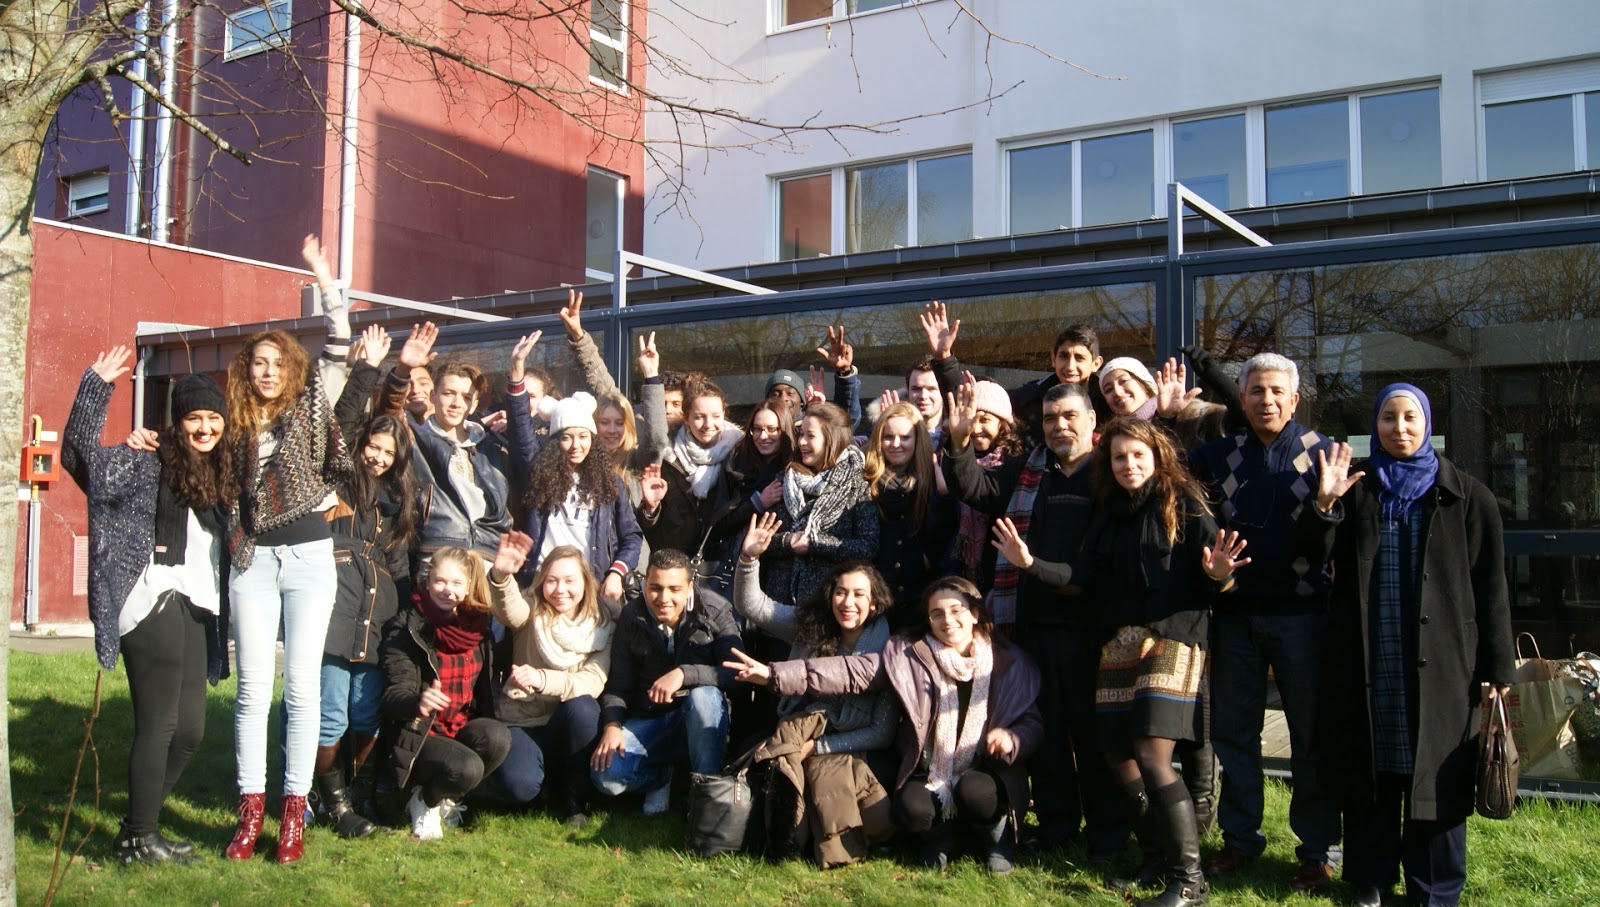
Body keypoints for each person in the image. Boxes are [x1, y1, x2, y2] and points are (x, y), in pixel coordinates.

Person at [1004, 416, 1249, 906]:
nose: (1129, 464)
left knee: (1151, 752)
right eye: (1119, 457)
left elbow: (1218, 577)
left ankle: (1189, 880)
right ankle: (1156, 855)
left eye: (1138, 455)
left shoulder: (1187, 504)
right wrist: (1031, 564)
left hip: (1174, 637)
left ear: (1158, 456)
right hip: (1119, 642)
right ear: (1108, 463)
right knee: (1116, 754)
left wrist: (1220, 575)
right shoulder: (1111, 511)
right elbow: (1081, 576)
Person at [1302, 386, 1514, 907]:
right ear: (1374, 426)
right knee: (1373, 770)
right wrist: (1324, 505)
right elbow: (1310, 558)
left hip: (1444, 661)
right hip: (1372, 655)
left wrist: (1498, 669)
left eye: (1410, 417)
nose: (1400, 428)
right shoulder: (1355, 489)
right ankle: (1371, 879)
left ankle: (1434, 887)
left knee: (1436, 776)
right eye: (1389, 418)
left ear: (1428, 424)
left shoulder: (1468, 495)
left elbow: (1492, 588)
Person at [726, 577, 1042, 875]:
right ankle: (942, 836)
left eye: (957, 611)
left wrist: (1012, 738)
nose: (947, 620)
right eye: (937, 614)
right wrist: (774, 675)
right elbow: (850, 672)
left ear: (975, 614)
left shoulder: (1009, 663)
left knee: (975, 791)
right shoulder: (908, 655)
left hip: (985, 769)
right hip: (932, 771)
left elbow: (1032, 724)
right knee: (911, 811)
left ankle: (995, 837)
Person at [941, 377, 1125, 857]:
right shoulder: (1029, 471)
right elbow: (975, 489)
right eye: (1049, 418)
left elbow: (1092, 568)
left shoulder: (1110, 477)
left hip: (1092, 630)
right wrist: (959, 445)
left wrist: (1031, 565)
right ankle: (1059, 827)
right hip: (1034, 627)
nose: (1059, 426)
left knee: (1091, 736)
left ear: (1092, 422)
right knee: (1047, 736)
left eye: (1069, 417)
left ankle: (1107, 834)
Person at [63, 348, 234, 865]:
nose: (204, 427)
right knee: (159, 725)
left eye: (212, 417)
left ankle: (139, 828)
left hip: (196, 606)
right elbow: (80, 458)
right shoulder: (146, 461)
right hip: (151, 598)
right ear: (176, 422)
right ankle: (140, 838)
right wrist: (96, 385)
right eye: (193, 418)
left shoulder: (222, 471)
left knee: (190, 732)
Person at [1190, 352, 1341, 893]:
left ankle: (1318, 850)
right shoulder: (1215, 457)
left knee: (1310, 737)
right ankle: (1240, 840)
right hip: (1234, 617)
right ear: (1243, 396)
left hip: (1304, 618)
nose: (1266, 400)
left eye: (1277, 391)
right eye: (1256, 391)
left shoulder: (1324, 456)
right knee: (1235, 734)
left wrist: (1326, 508)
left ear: (1295, 399)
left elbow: (1337, 543)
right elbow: (1194, 519)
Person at [223, 322, 352, 864]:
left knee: (301, 690)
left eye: (278, 363)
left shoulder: (310, 411)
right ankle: (250, 814)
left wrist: (328, 287)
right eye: (259, 364)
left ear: (293, 368)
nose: (269, 372)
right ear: (245, 371)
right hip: (251, 559)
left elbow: (340, 347)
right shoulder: (233, 425)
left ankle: (293, 815)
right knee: (252, 691)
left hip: (308, 559)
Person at [733, 514, 898, 866]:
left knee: (822, 773)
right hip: (799, 726)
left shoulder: (885, 651)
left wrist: (818, 745)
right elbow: (755, 607)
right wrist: (749, 560)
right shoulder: (812, 625)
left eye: (858, 594)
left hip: (854, 744)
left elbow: (881, 732)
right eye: (840, 592)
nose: (847, 602)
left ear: (874, 601)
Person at [317, 408, 420, 839]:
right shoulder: (338, 485)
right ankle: (330, 800)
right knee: (330, 714)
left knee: (365, 710)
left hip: (376, 623)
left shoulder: (399, 507)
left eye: (387, 452)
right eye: (372, 447)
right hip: (334, 617)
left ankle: (360, 796)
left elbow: (399, 569)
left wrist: (404, 621)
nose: (377, 457)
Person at [590, 549, 741, 814]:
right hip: (649, 721)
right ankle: (661, 778)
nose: (664, 598)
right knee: (605, 775)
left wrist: (685, 673)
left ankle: (703, 795)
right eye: (655, 588)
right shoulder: (631, 616)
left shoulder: (716, 610)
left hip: (699, 718)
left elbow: (738, 674)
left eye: (674, 589)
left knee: (704, 697)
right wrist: (612, 726)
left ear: (690, 586)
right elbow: (617, 687)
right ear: (644, 583)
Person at [380, 547, 514, 840]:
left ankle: (443, 796)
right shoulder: (408, 627)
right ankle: (424, 801)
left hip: (458, 728)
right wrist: (419, 701)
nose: (447, 591)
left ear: (468, 588)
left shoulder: (478, 630)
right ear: (427, 582)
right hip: (419, 734)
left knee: (498, 738)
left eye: (456, 584)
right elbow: (392, 696)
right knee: (466, 768)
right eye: (440, 581)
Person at [485, 536, 614, 829]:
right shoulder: (531, 610)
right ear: (542, 582)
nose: (560, 590)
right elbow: (509, 608)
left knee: (584, 708)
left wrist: (543, 679)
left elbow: (592, 681)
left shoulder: (603, 625)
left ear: (585, 582)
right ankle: (540, 783)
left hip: (567, 723)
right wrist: (501, 576)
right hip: (523, 720)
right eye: (552, 581)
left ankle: (573, 797)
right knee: (520, 787)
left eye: (570, 581)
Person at [378, 322, 518, 562]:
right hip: (437, 554)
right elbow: (387, 414)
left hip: (487, 557)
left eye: (465, 397)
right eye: (448, 393)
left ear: (474, 405)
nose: (456, 403)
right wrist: (402, 370)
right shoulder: (414, 437)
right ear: (433, 396)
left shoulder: (491, 447)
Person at [513, 387, 642, 602]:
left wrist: (616, 573)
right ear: (555, 441)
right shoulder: (539, 475)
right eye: (566, 438)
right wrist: (516, 372)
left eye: (583, 436)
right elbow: (521, 433)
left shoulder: (610, 481)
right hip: (542, 586)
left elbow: (631, 537)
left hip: (592, 588)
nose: (576, 445)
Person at [921, 301, 1110, 438]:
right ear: (1053, 358)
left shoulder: (1110, 402)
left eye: (1080, 358)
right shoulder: (1028, 399)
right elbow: (964, 406)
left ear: (1096, 363)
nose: (1070, 366)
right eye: (1063, 356)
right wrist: (944, 358)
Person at [760, 402, 879, 607]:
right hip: (776, 606)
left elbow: (867, 548)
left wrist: (815, 543)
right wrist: (788, 542)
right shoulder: (784, 479)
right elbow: (761, 540)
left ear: (832, 439)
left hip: (828, 606)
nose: (801, 442)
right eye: (801, 434)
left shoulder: (856, 486)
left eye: (810, 436)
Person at [862, 401, 954, 622]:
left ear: (917, 439)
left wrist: (943, 497)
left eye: (905, 437)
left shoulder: (934, 478)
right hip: (875, 597)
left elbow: (944, 538)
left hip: (919, 597)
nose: (896, 444)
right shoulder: (864, 478)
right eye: (888, 437)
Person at [638, 377, 742, 564]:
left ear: (724, 414)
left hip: (719, 569)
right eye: (699, 417)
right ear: (686, 418)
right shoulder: (668, 458)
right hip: (673, 568)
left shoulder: (739, 454)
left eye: (716, 416)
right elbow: (649, 531)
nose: (708, 424)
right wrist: (651, 509)